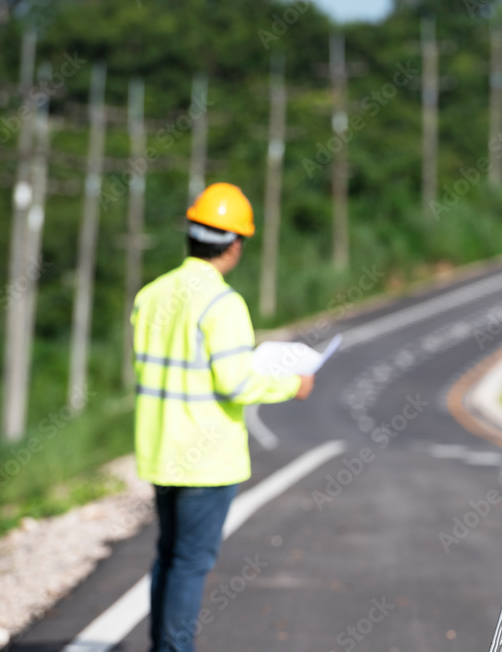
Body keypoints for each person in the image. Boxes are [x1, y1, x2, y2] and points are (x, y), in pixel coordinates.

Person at [132, 182, 314, 652]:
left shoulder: (151, 295)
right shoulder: (222, 303)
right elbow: (236, 382)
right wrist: (291, 383)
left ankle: (162, 646)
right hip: (205, 459)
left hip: (160, 452)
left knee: (169, 555)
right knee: (190, 562)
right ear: (235, 244)